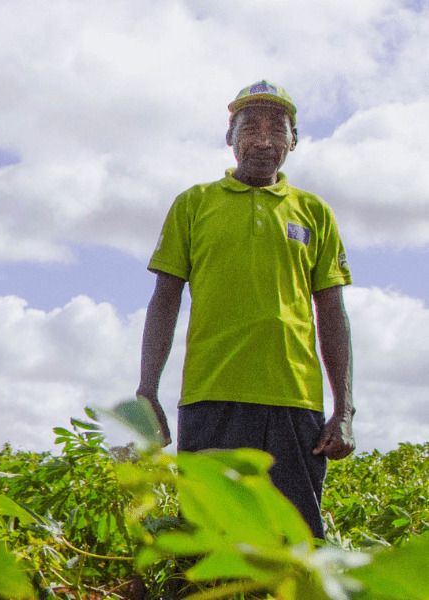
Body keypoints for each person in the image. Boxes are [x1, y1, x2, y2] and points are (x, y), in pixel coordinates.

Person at [138, 80, 355, 539]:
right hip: (211, 397)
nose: (262, 139)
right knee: (207, 545)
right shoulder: (194, 204)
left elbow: (332, 312)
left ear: (293, 141)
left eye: (277, 128)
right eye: (248, 127)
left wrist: (345, 409)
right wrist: (147, 391)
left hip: (295, 402)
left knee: (295, 547)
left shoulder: (314, 212)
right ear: (229, 137)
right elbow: (164, 301)